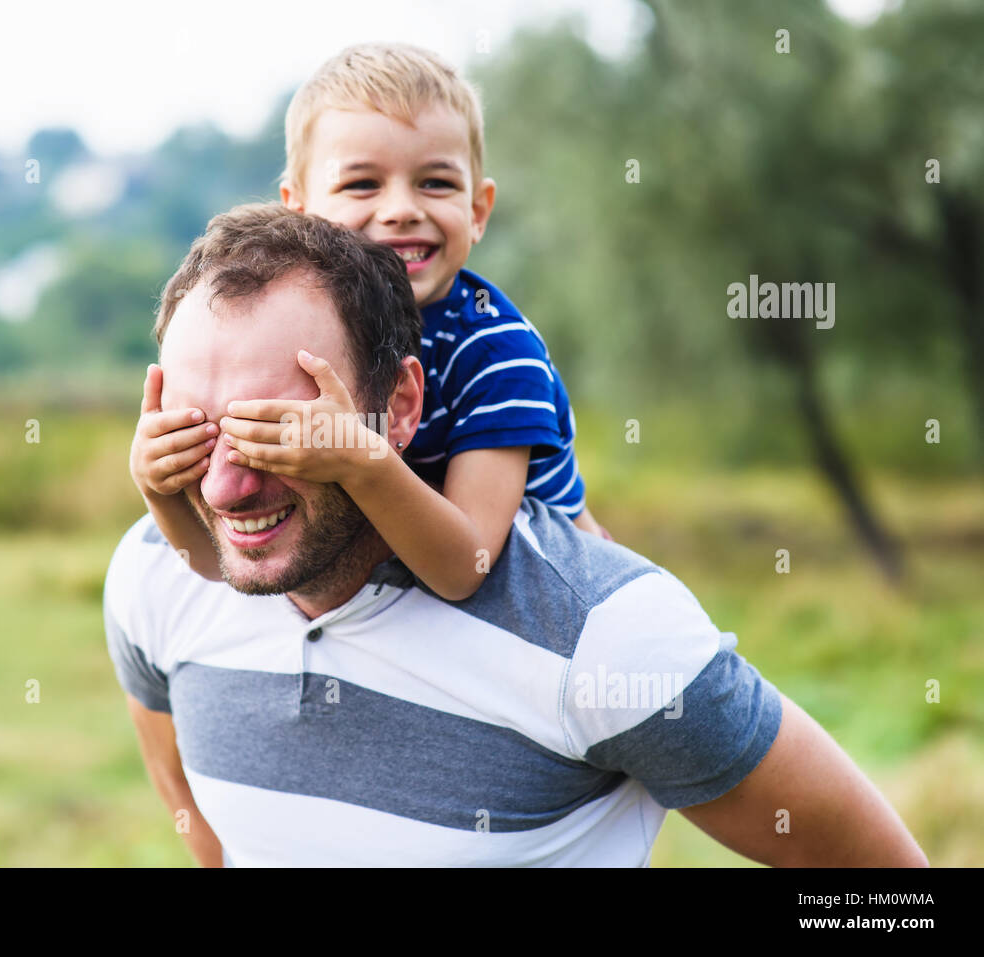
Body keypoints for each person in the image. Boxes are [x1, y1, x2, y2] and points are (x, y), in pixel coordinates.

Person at [104, 202, 927, 867]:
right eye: (195, 432)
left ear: (397, 408)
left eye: (277, 429)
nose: (225, 486)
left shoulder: (609, 639)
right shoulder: (151, 580)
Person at [130, 43, 604, 603]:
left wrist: (362, 461)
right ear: (298, 210)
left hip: (542, 600)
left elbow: (464, 568)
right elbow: (217, 567)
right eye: (362, 184)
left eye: (436, 183)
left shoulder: (497, 352)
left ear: (477, 211)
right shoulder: (298, 340)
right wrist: (156, 487)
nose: (402, 208)